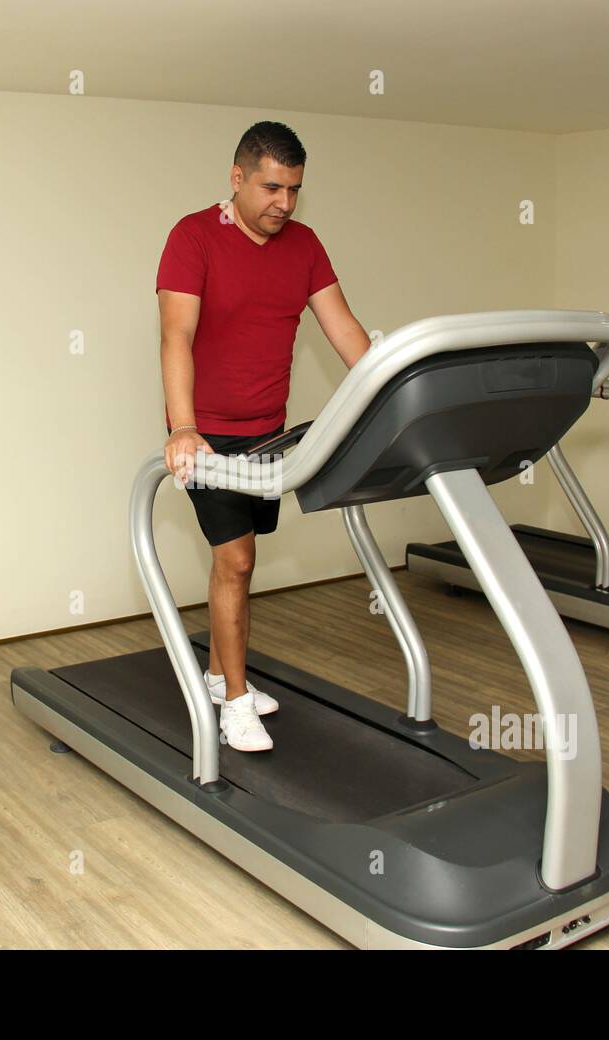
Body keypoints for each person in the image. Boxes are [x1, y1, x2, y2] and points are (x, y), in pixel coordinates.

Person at [154, 121, 371, 753]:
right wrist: (184, 426)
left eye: (294, 190)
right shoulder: (192, 237)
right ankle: (236, 704)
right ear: (238, 177)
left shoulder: (304, 245)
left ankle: (221, 678)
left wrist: (392, 388)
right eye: (272, 187)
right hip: (208, 434)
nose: (284, 203)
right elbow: (176, 336)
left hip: (268, 432)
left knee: (246, 562)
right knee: (236, 559)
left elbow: (346, 330)